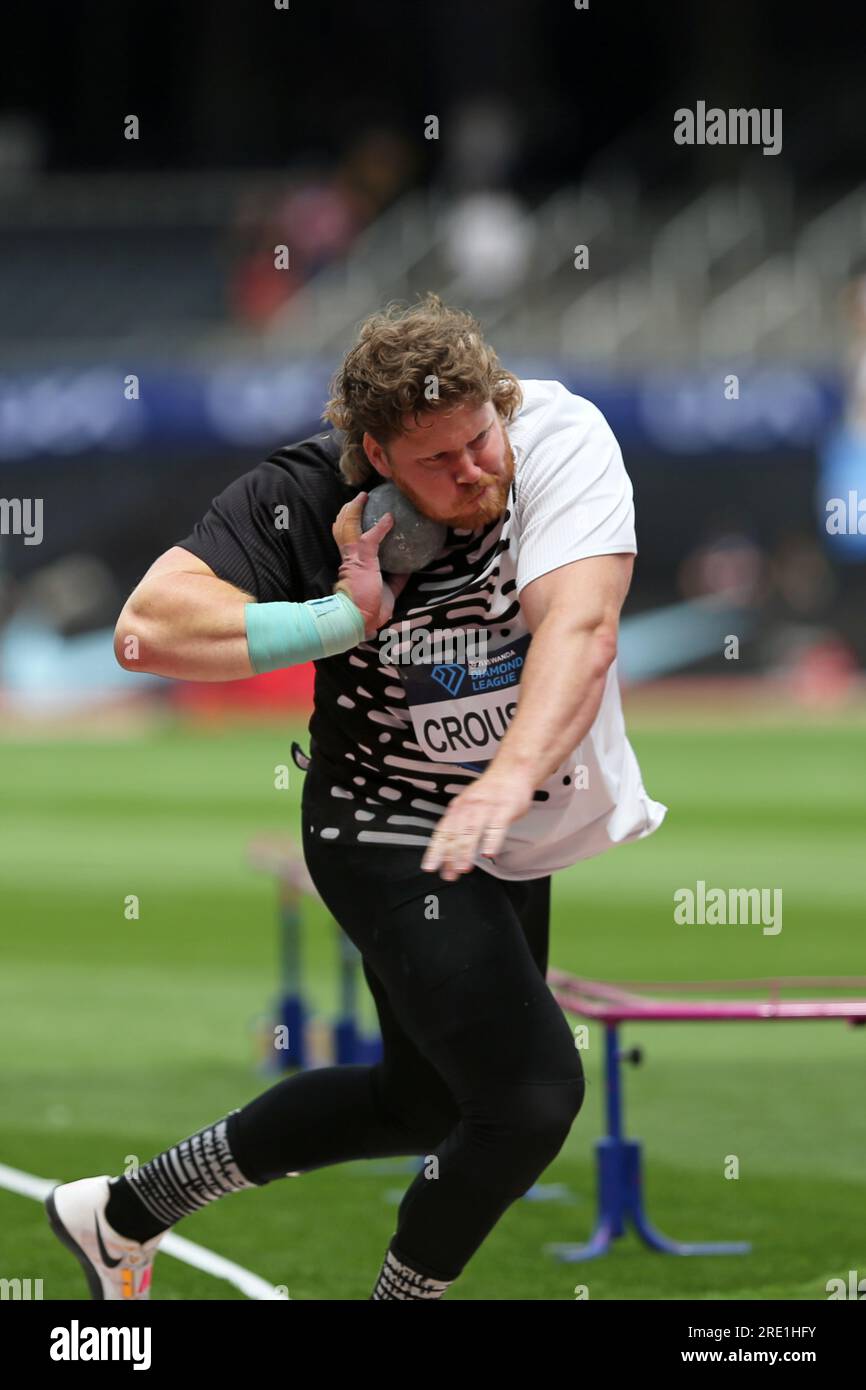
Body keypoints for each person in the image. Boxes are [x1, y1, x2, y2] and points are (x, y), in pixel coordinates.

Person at [45, 293, 666, 1301]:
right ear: (376, 454)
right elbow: (144, 632)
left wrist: (505, 779)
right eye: (439, 459)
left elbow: (581, 633)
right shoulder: (302, 494)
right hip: (377, 817)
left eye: (480, 439)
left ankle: (119, 1213)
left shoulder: (561, 440)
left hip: (500, 816)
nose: (475, 470)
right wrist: (336, 619)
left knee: (420, 1105)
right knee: (531, 1096)